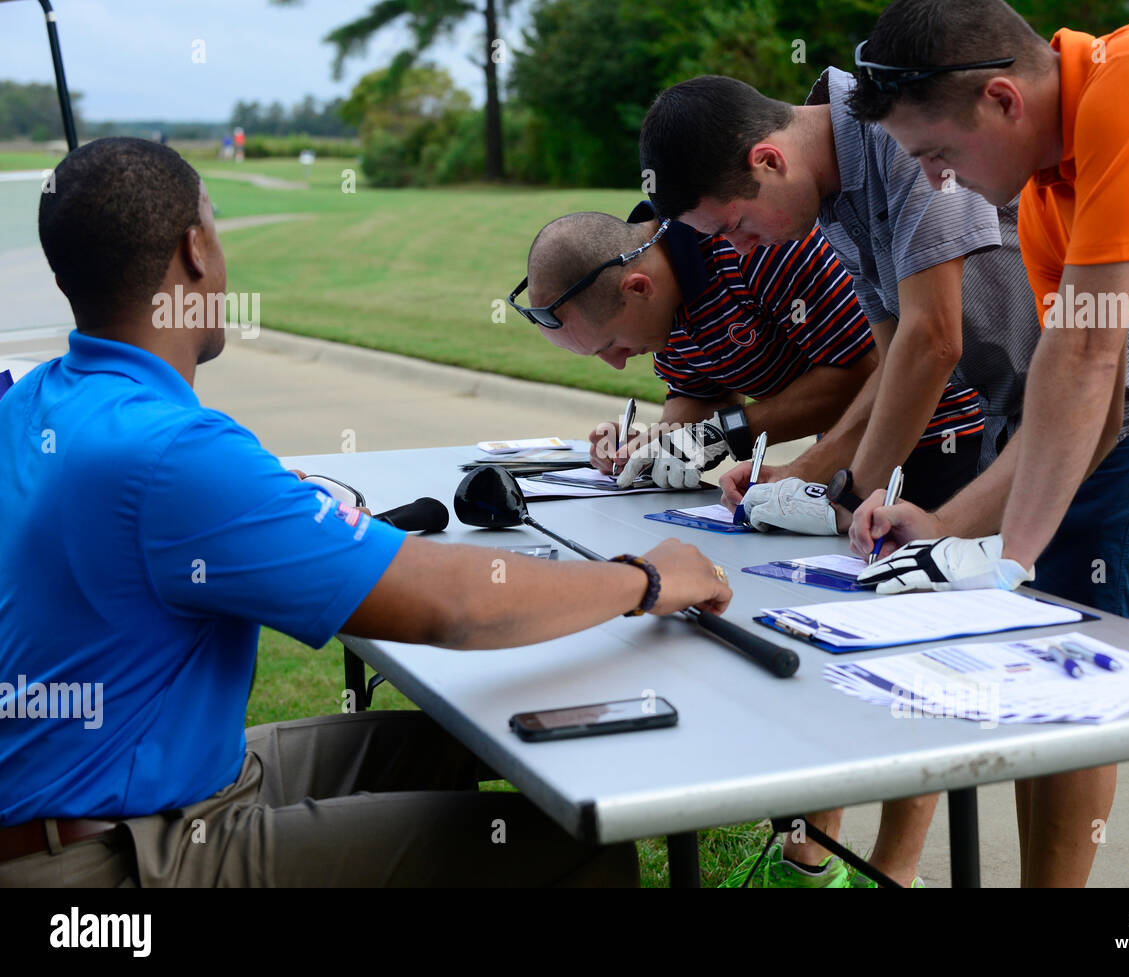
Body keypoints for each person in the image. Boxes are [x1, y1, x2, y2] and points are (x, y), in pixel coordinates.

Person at [0, 137, 732, 888]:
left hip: (145, 778)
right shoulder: (172, 453)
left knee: (463, 740)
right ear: (195, 251)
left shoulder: (31, 401)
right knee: (579, 849)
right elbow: (455, 607)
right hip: (112, 857)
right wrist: (643, 578)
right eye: (215, 231)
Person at [639, 69, 1129, 886]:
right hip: (1027, 409)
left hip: (1128, 404)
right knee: (1003, 647)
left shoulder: (897, 136)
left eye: (731, 227)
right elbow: (894, 354)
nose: (736, 249)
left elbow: (937, 339)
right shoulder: (828, 189)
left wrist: (841, 493)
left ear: (769, 160)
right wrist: (819, 473)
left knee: (1072, 679)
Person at [850, 0, 1129, 886]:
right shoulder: (1049, 203)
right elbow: (1089, 410)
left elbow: (1087, 351)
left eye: (938, 154)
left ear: (1004, 100)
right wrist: (950, 528)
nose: (938, 183)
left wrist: (1008, 570)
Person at [517, 201, 985, 513]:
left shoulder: (754, 247)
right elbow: (695, 393)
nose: (618, 364)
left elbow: (860, 371)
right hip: (850, 447)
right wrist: (653, 445)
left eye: (610, 346)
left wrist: (722, 436)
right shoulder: (659, 305)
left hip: (942, 438)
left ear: (639, 288)